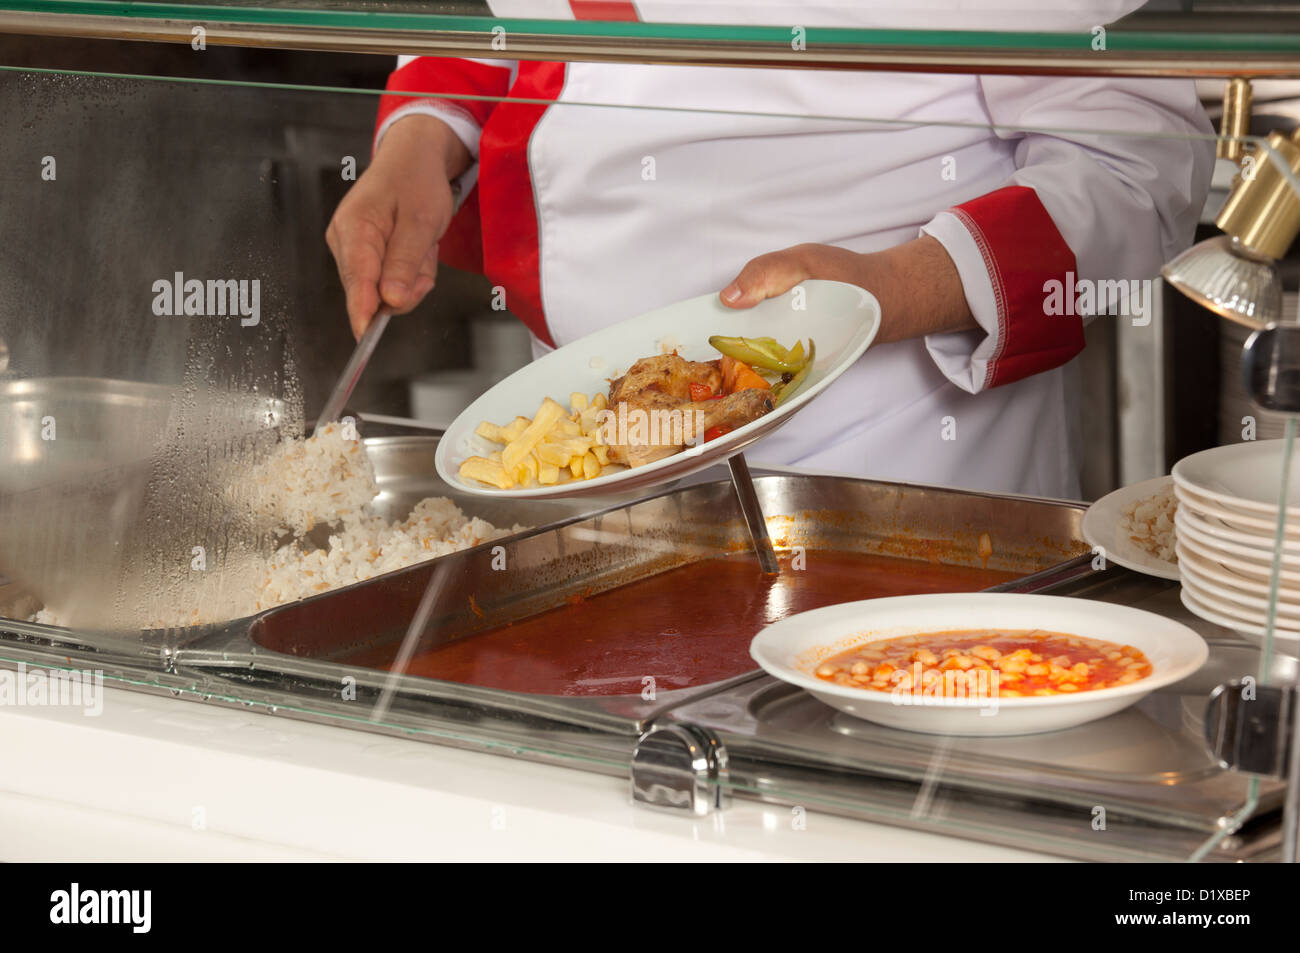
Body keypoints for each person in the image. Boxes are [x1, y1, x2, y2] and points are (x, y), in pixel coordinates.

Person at [326, 2, 1214, 498]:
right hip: (582, 462)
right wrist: (417, 145)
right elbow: (508, 29)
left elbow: (1138, 166)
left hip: (896, 468)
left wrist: (888, 290)